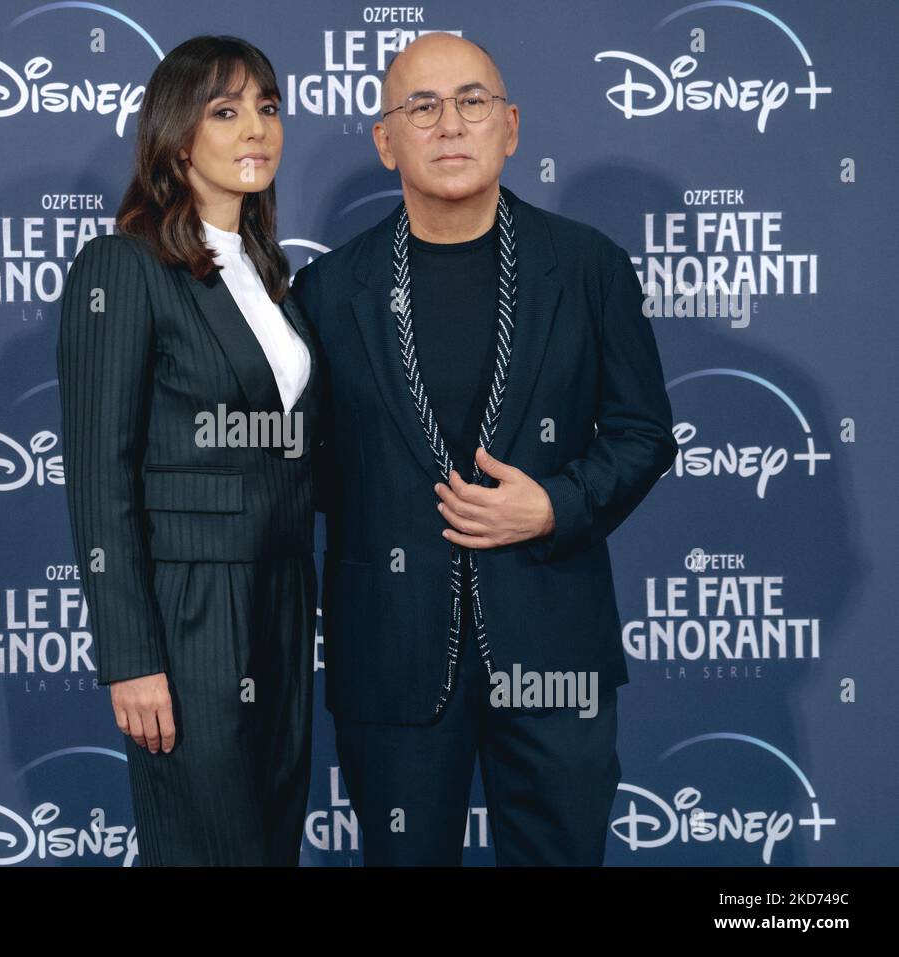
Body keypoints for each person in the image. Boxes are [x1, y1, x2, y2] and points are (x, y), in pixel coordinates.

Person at [290, 32, 678, 865]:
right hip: (390, 651)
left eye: (471, 102)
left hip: (554, 645)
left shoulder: (588, 268)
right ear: (385, 140)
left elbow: (646, 432)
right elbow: (302, 467)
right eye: (420, 107)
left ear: (510, 126)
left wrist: (555, 503)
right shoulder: (326, 290)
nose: (449, 125)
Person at [57, 35, 319, 866]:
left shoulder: (269, 274)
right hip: (191, 612)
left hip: (282, 597)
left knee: (271, 845)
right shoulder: (123, 265)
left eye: (268, 109)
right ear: (177, 137)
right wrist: (130, 658)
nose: (257, 130)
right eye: (227, 110)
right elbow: (101, 471)